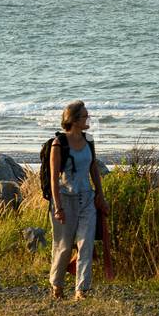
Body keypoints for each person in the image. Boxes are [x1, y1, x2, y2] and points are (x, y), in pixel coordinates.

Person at [48, 101, 108, 300]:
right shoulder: (59, 144)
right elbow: (53, 178)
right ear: (73, 120)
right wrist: (58, 207)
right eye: (84, 116)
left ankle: (81, 289)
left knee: (86, 243)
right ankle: (56, 284)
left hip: (87, 199)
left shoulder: (88, 140)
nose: (88, 119)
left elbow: (93, 168)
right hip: (65, 200)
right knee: (64, 246)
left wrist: (99, 194)